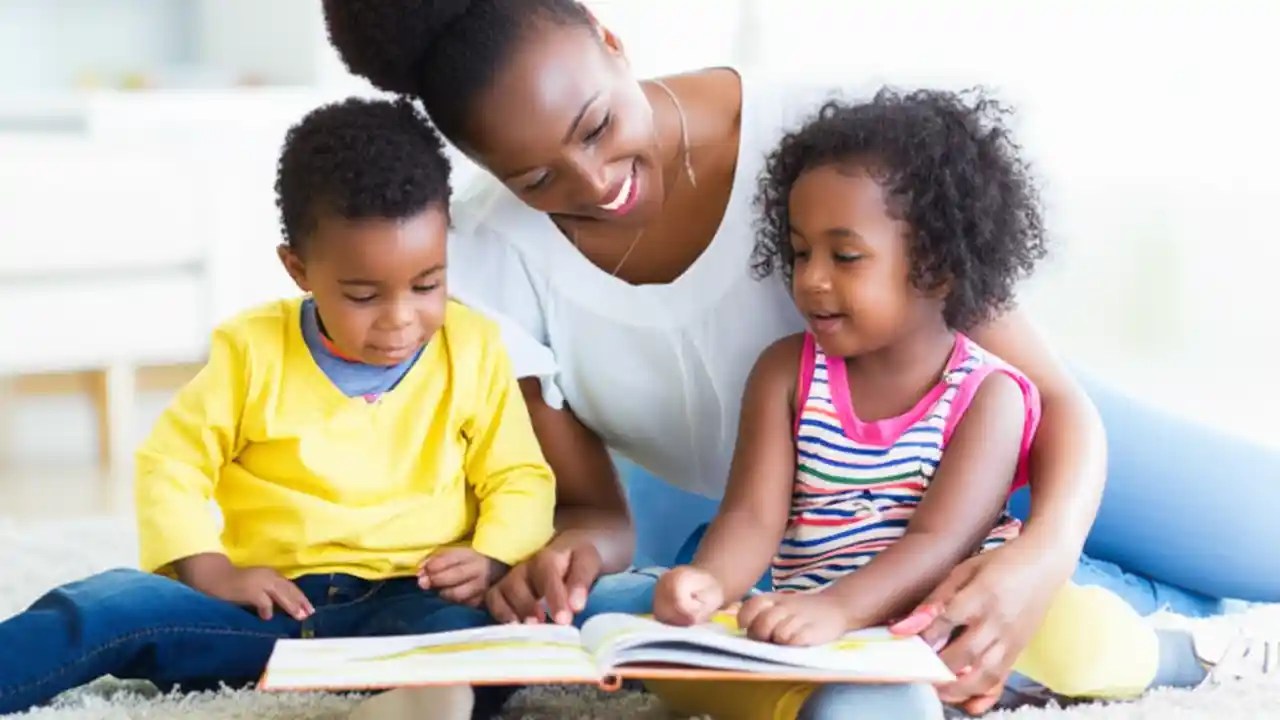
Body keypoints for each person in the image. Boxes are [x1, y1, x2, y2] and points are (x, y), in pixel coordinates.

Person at [321, 0, 1280, 711]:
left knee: (1261, 543)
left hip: (1007, 434)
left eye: (599, 128)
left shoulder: (821, 138)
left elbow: (1051, 397)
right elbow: (595, 511)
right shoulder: (489, 262)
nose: (595, 182)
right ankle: (1155, 621)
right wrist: (566, 555)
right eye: (535, 177)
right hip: (800, 520)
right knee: (948, 651)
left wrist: (1041, 556)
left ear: (613, 41)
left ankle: (1151, 616)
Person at [644, 88, 1276, 719]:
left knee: (1076, 637)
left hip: (956, 622)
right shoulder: (785, 373)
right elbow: (753, 515)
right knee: (683, 662)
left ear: (938, 267)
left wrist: (837, 608)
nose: (811, 279)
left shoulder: (989, 395)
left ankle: (1181, 654)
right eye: (800, 251)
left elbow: (939, 540)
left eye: (845, 256)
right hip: (827, 632)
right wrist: (710, 582)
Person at [0, 98, 554, 717]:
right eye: (363, 295)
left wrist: (491, 557)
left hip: (415, 603)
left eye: (427, 284)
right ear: (298, 269)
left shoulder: (473, 347)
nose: (401, 318)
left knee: (498, 642)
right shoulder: (250, 350)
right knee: (104, 604)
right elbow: (172, 463)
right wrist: (210, 570)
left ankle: (407, 702)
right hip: (268, 612)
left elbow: (519, 476)